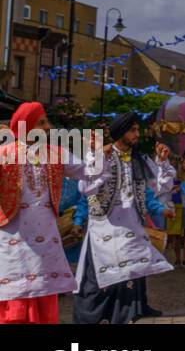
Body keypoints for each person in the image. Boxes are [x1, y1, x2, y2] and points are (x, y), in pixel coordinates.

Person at [0, 102, 106, 324]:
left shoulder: (56, 153)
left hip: (45, 237)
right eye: (41, 122)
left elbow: (89, 174)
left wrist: (94, 152)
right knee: (15, 293)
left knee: (43, 288)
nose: (48, 127)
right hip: (13, 237)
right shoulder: (5, 153)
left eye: (46, 121)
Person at [74, 112, 175, 324]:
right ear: (120, 132)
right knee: (98, 282)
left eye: (138, 129)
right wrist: (100, 158)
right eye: (133, 130)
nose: (137, 134)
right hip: (104, 231)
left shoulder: (141, 159)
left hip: (131, 231)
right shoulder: (102, 155)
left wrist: (163, 163)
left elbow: (160, 187)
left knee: (128, 278)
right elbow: (85, 187)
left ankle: (124, 317)